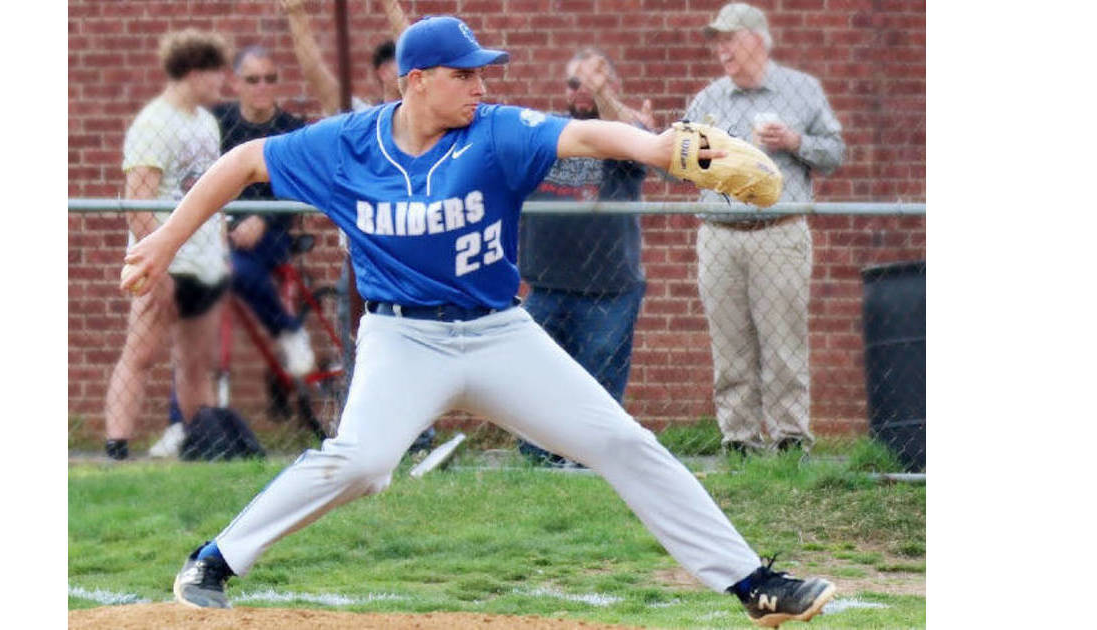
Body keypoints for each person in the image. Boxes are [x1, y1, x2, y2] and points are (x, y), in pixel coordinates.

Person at [126, 16, 836, 626]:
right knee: (364, 462)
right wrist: (162, 239)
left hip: (499, 332)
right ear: (417, 80)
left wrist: (656, 149)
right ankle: (212, 562)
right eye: (464, 74)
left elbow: (586, 138)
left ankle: (753, 584)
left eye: (482, 73)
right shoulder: (347, 145)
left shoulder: (495, 134)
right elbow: (245, 161)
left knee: (620, 440)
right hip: (403, 337)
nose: (480, 85)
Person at [684, 2, 845, 456]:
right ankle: (739, 440)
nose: (722, 51)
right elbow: (680, 162)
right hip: (719, 234)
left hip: (780, 231)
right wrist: (673, 147)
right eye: (717, 42)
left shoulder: (802, 90)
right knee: (730, 344)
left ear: (756, 39)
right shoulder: (709, 99)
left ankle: (791, 439)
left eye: (729, 39)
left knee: (783, 343)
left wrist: (795, 142)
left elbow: (834, 153)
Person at [282, 0, 440, 453]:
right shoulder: (362, 125)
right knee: (365, 349)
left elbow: (424, 50)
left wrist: (390, 6)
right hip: (366, 262)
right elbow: (319, 80)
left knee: (425, 347)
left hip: (423, 260)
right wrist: (296, 16)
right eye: (391, 72)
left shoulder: (435, 123)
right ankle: (365, 439)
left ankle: (419, 434)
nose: (401, 79)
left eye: (408, 71)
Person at [150, 45, 316, 458]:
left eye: (270, 79)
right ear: (237, 83)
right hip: (216, 234)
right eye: (253, 79)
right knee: (194, 314)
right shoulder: (218, 123)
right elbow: (198, 179)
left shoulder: (289, 127)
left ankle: (287, 328)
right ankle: (181, 422)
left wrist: (264, 217)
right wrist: (221, 223)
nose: (262, 88)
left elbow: (298, 186)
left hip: (272, 236)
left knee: (238, 269)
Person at [515, 48, 654, 467]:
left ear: (612, 88)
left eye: (593, 83)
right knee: (540, 381)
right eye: (574, 83)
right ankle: (540, 463)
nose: (582, 91)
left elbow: (646, 144)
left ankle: (595, 462)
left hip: (609, 291)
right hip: (546, 286)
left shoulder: (625, 133)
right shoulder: (547, 134)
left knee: (599, 384)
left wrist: (604, 96)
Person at [102, 29, 232, 461]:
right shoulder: (154, 124)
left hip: (205, 263)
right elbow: (139, 202)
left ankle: (198, 445)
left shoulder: (206, 123)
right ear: (194, 73)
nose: (221, 85)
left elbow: (213, 194)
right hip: (166, 262)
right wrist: (156, 267)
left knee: (196, 363)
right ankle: (116, 447)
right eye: (216, 75)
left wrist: (221, 254)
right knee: (141, 353)